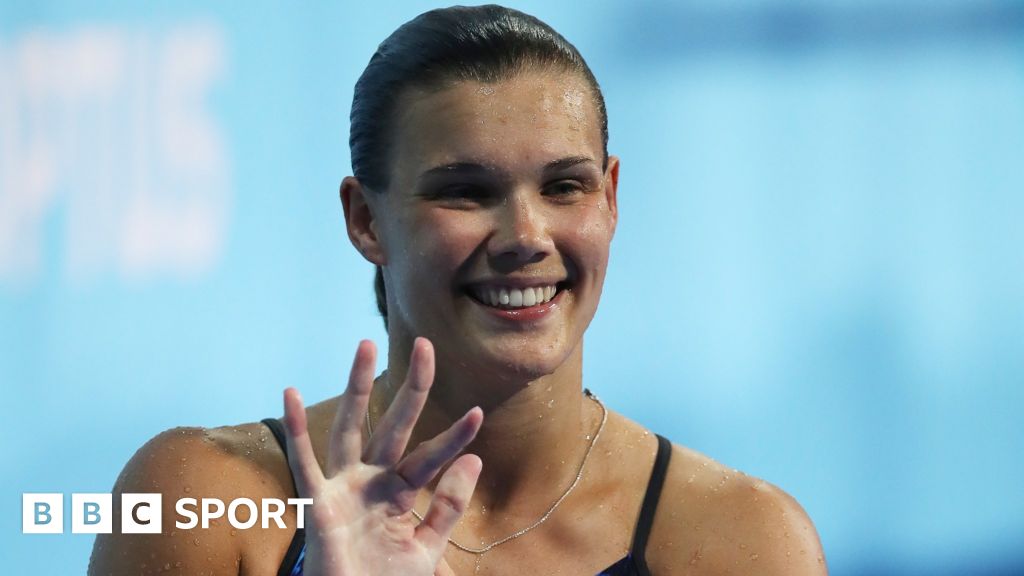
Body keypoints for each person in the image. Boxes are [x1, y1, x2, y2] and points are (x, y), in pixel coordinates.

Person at [89, 5, 827, 575]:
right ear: (364, 220)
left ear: (610, 198)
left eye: (564, 186)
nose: (525, 236)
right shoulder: (207, 502)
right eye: (466, 192)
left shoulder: (738, 539)